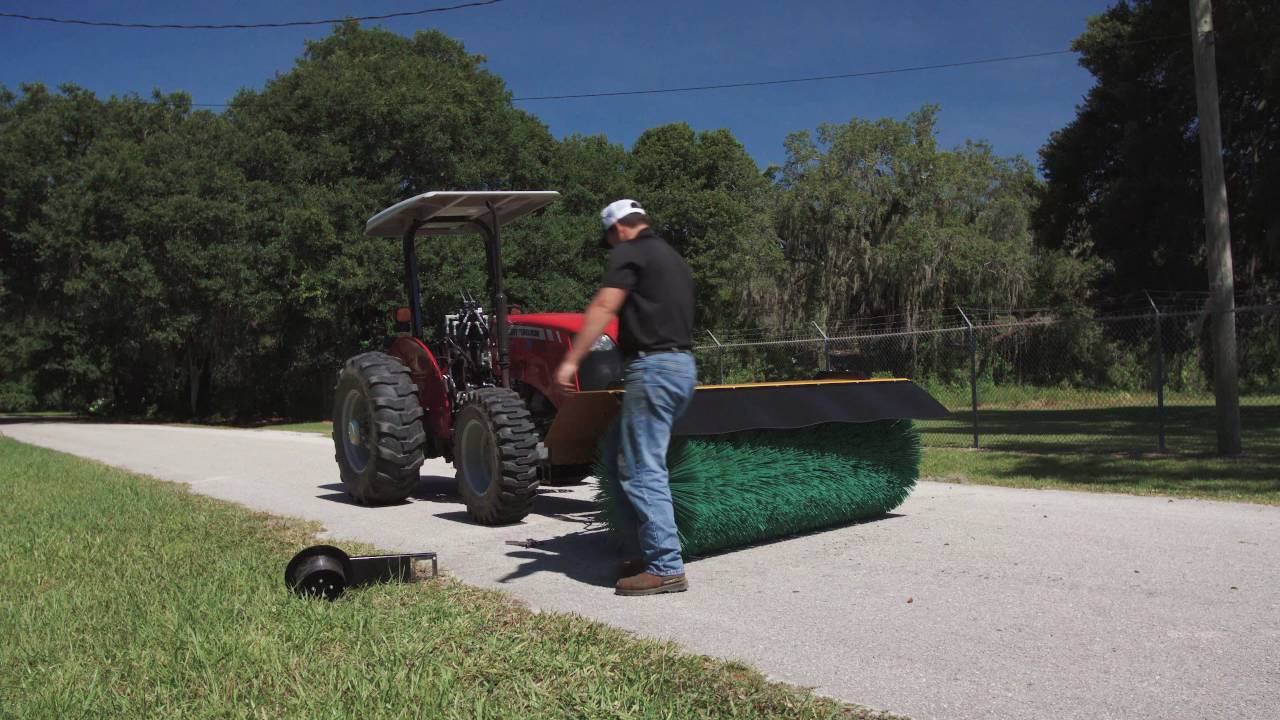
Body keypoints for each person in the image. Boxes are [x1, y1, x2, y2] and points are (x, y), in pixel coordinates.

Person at [554, 199, 697, 596]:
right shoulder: (672, 257)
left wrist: (571, 360)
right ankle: (645, 551)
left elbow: (603, 306)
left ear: (618, 230)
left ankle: (666, 567)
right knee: (620, 458)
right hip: (682, 367)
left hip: (653, 370)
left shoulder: (630, 252)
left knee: (641, 469)